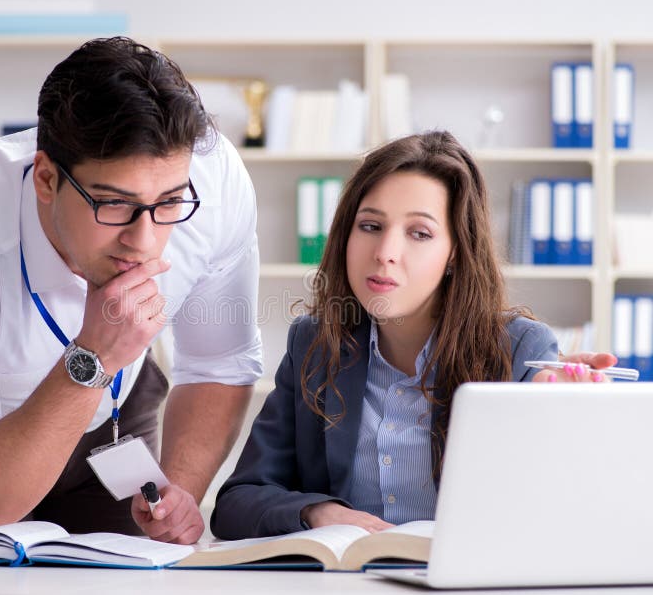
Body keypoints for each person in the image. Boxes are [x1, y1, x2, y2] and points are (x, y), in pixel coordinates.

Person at [0, 36, 262, 544]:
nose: (144, 240)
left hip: (115, 409)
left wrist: (176, 497)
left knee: (128, 577)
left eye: (168, 203)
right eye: (113, 204)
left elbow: (219, 365)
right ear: (47, 179)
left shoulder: (215, 179)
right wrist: (94, 353)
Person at [211, 131, 615, 539]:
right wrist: (317, 512)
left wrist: (567, 416)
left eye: (419, 233)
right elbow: (236, 503)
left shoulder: (519, 351)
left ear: (456, 251)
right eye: (370, 225)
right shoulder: (315, 344)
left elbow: (566, 510)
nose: (385, 251)